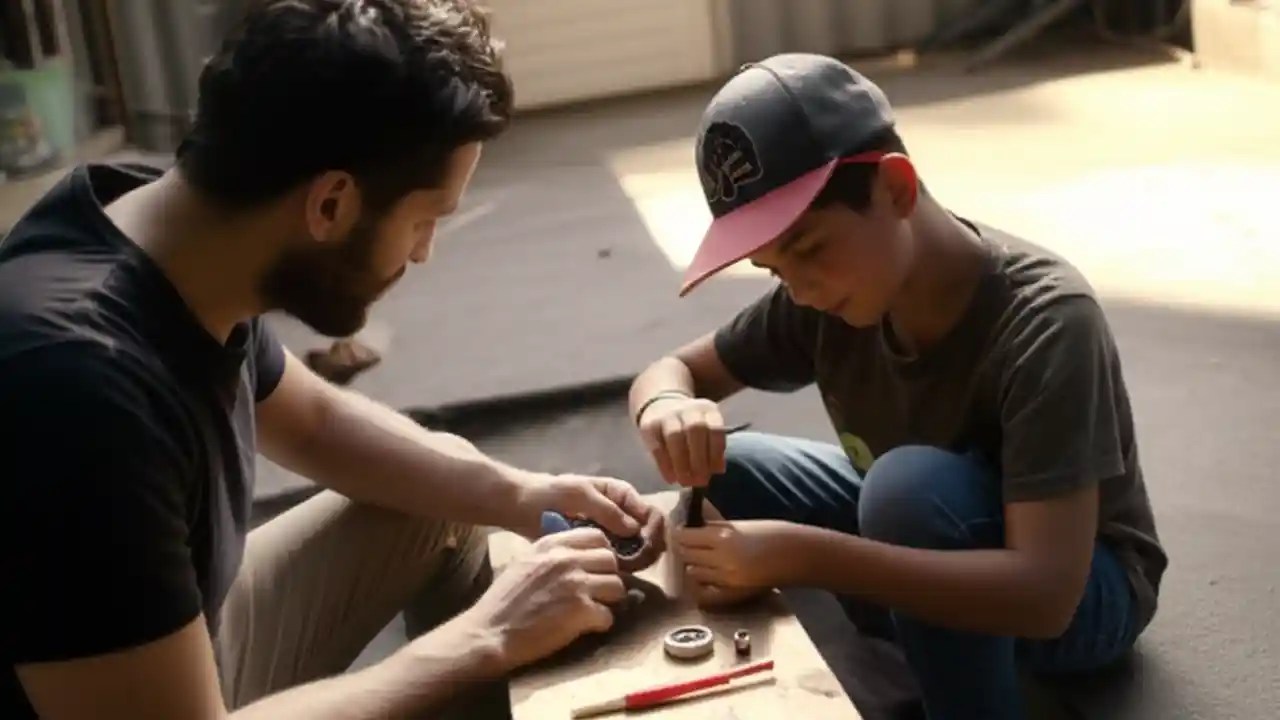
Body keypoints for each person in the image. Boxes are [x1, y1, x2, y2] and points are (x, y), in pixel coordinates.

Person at [0, 2, 665, 718]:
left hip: (173, 640)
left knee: (444, 497)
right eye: (424, 220)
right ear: (330, 204)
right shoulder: (76, 391)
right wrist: (489, 636)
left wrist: (522, 494)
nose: (423, 253)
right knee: (478, 628)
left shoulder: (171, 231)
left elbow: (313, 423)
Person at [629, 53, 1167, 720]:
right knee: (727, 464)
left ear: (897, 188)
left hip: (1082, 591)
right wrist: (669, 407)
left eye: (807, 249)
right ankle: (913, 622)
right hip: (921, 528)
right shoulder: (823, 293)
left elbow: (1046, 593)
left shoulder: (1048, 321)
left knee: (905, 491)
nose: (798, 287)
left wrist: (804, 556)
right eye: (771, 270)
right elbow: (670, 371)